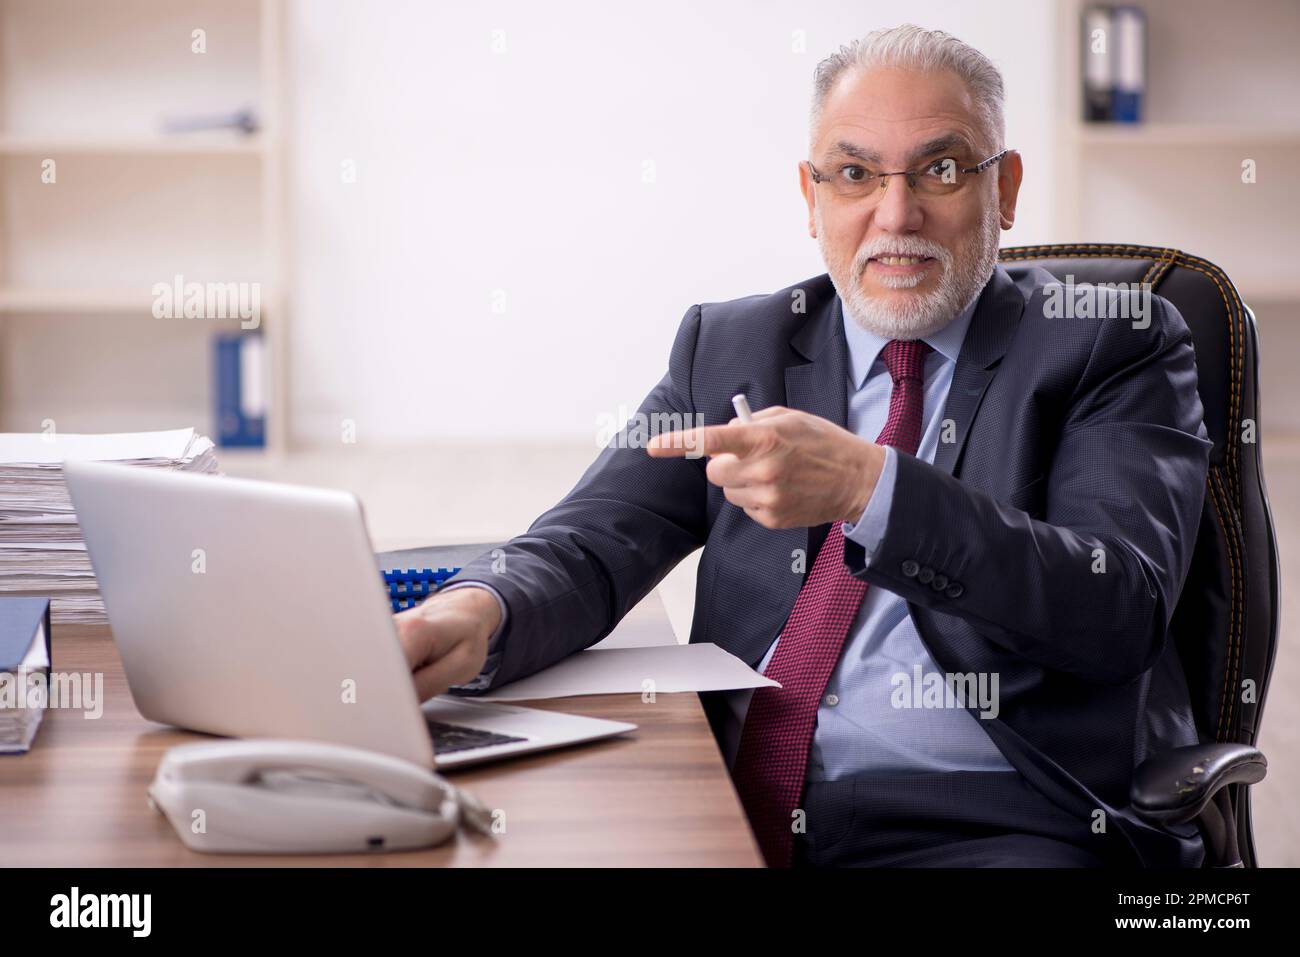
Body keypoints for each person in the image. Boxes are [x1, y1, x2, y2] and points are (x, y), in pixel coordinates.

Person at [394, 24, 1211, 868]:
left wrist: (873, 488)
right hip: (731, 804)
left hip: (995, 818)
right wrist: (475, 612)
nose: (896, 215)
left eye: (939, 168)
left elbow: (1119, 609)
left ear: (1003, 188)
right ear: (810, 194)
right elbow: (592, 541)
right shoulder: (734, 344)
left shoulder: (1112, 341)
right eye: (856, 174)